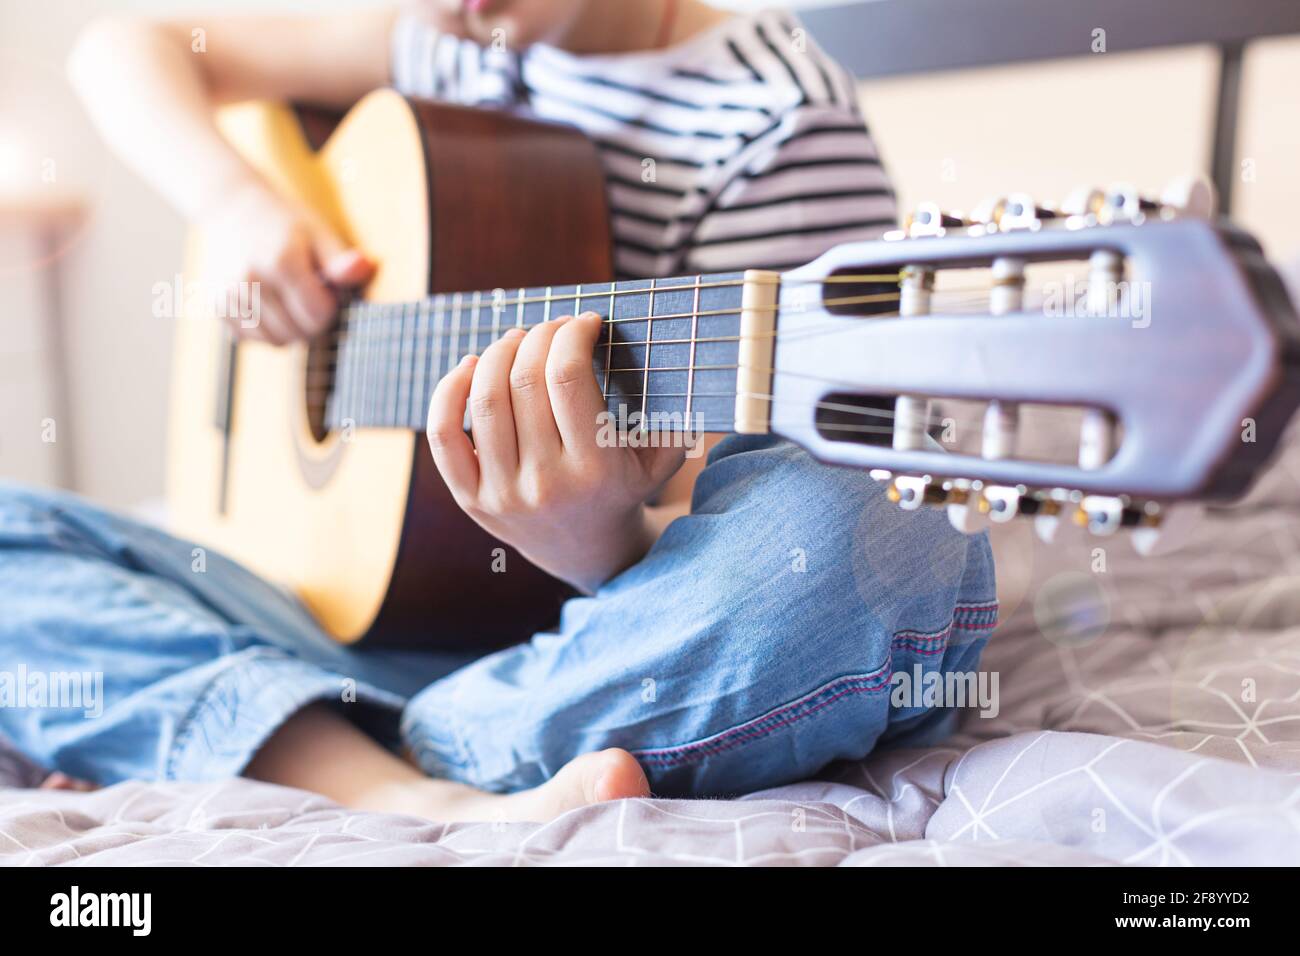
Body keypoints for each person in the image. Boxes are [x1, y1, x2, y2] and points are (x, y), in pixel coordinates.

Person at [0, 0, 995, 822]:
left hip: (577, 640)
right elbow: (126, 50)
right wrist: (233, 203)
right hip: (351, 610)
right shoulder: (449, 31)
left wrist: (592, 535)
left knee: (885, 531)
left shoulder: (778, 125)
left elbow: (752, 521)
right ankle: (410, 786)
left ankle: (263, 723)